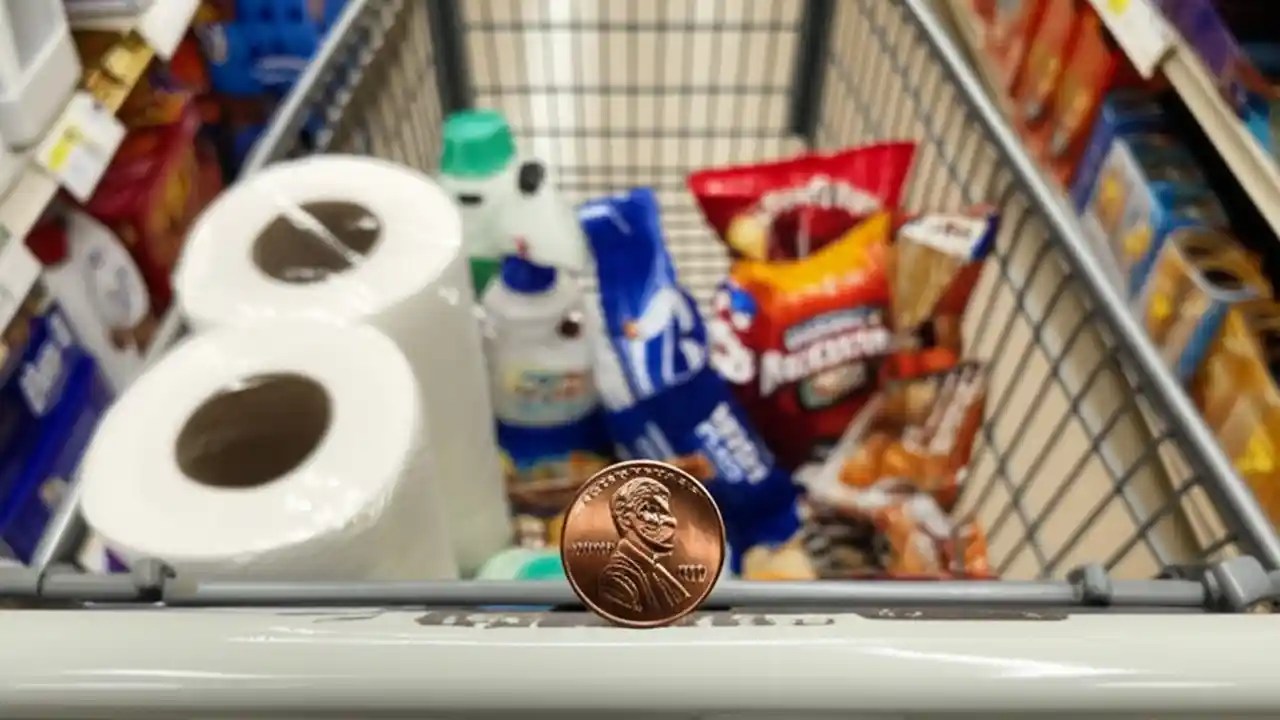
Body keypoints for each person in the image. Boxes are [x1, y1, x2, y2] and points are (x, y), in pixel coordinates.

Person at [599, 476, 691, 614]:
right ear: (625, 518)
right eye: (650, 509)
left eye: (666, 512)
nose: (670, 521)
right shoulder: (617, 577)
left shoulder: (654, 568)